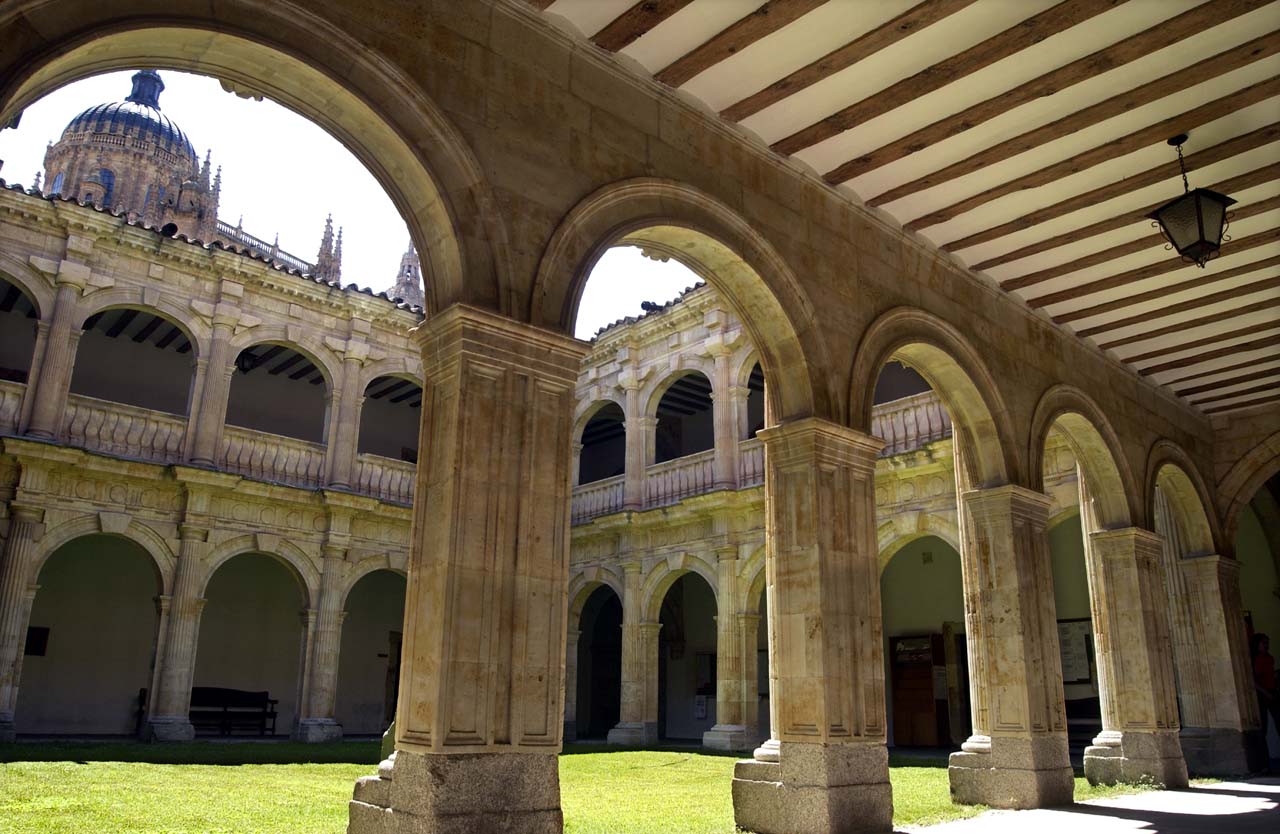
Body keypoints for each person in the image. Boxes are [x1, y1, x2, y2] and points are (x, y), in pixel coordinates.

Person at [1252, 632, 1280, 756]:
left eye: (1267, 643)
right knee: (1262, 728)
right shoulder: (1255, 659)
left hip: (1272, 692)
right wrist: (1266, 692)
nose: (1267, 645)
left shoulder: (1269, 658)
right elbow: (1254, 681)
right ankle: (1263, 760)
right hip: (1262, 694)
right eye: (1264, 643)